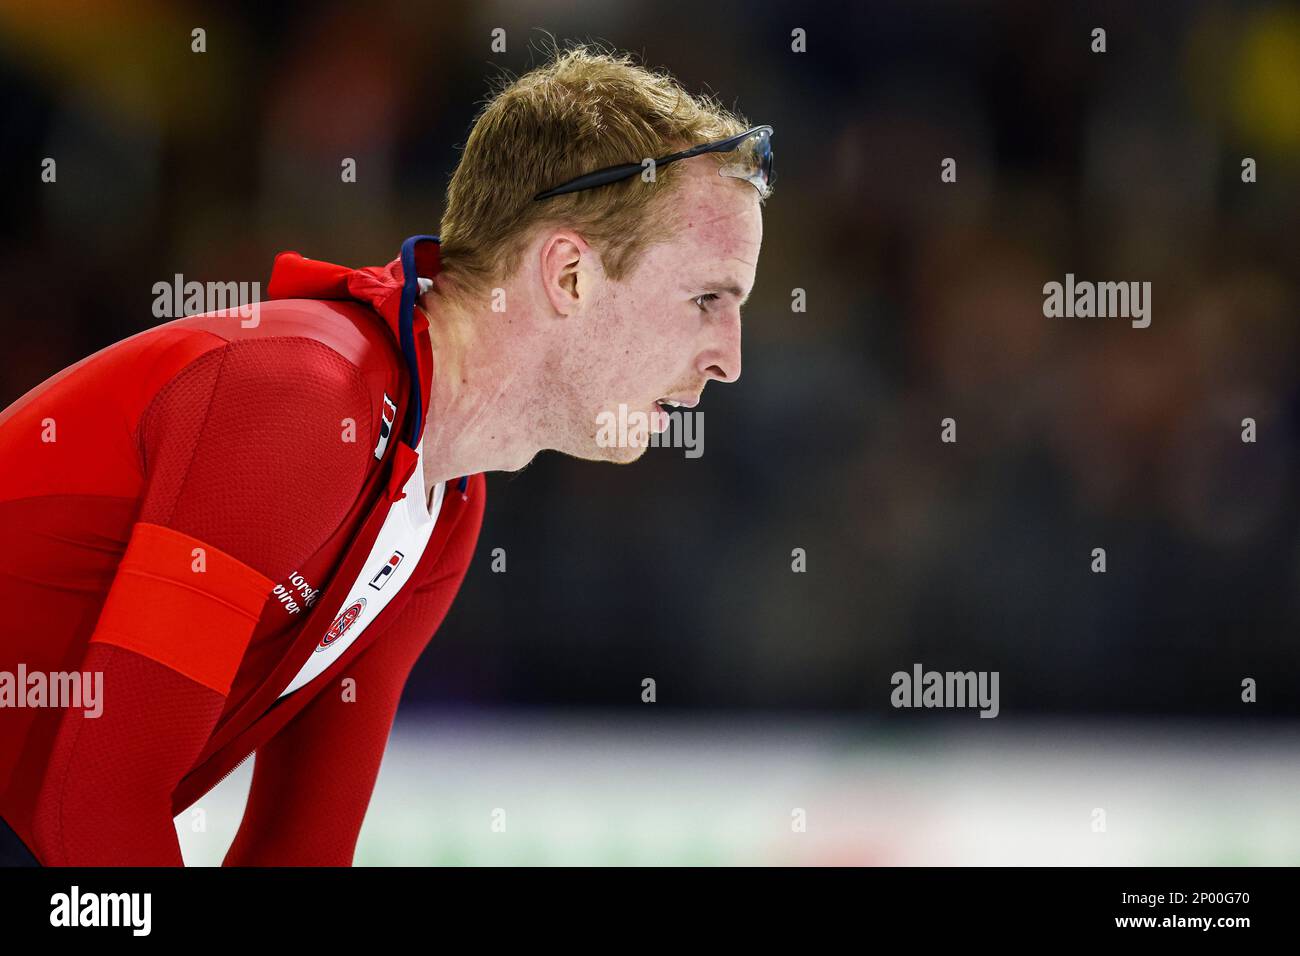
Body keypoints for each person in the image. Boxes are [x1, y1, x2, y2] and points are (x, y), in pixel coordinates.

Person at [0, 44, 771, 866]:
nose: (729, 357)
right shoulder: (304, 398)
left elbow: (300, 849)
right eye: (705, 299)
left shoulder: (441, 500)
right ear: (570, 275)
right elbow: (91, 809)